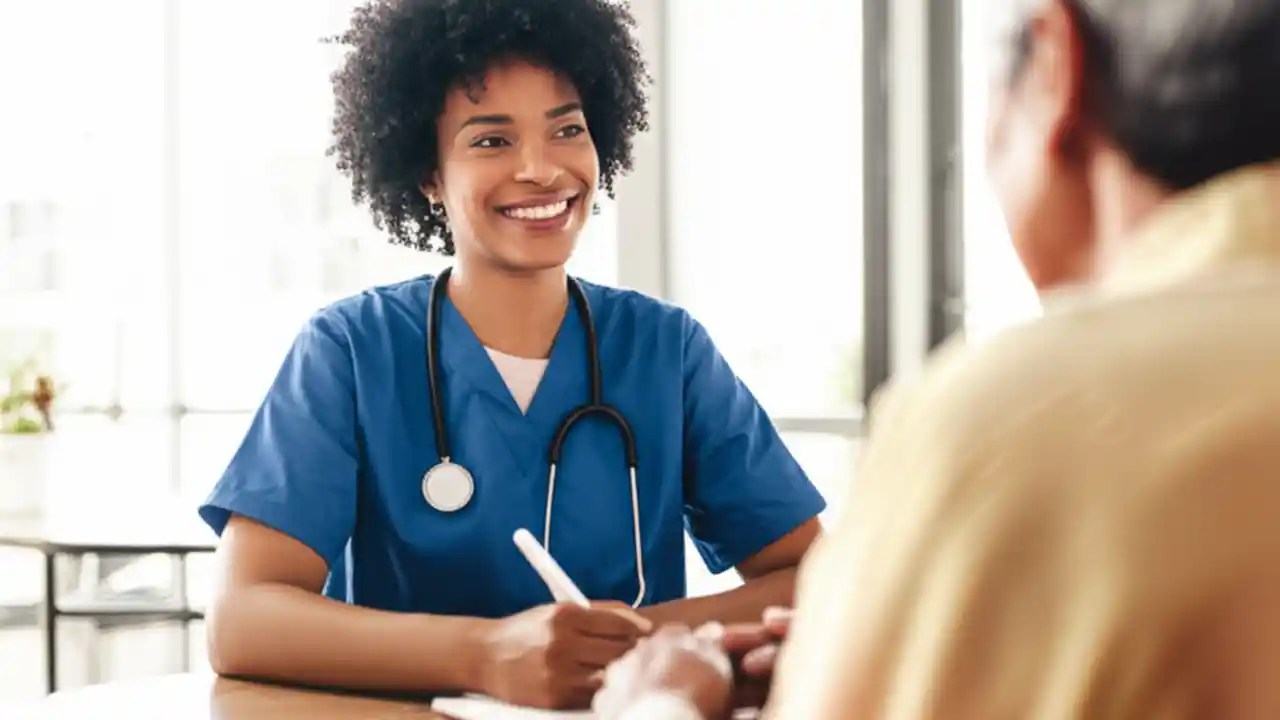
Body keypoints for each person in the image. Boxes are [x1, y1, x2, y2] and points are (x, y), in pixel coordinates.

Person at [594, 0, 1280, 717]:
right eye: (491, 140)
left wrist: (658, 701)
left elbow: (798, 566)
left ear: (1053, 66)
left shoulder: (1012, 419)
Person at [197, 0, 825, 710]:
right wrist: (486, 655)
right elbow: (241, 622)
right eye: (491, 141)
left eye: (567, 129)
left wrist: (618, 645)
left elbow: (816, 575)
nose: (541, 169)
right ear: (428, 173)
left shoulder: (666, 352)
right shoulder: (349, 352)